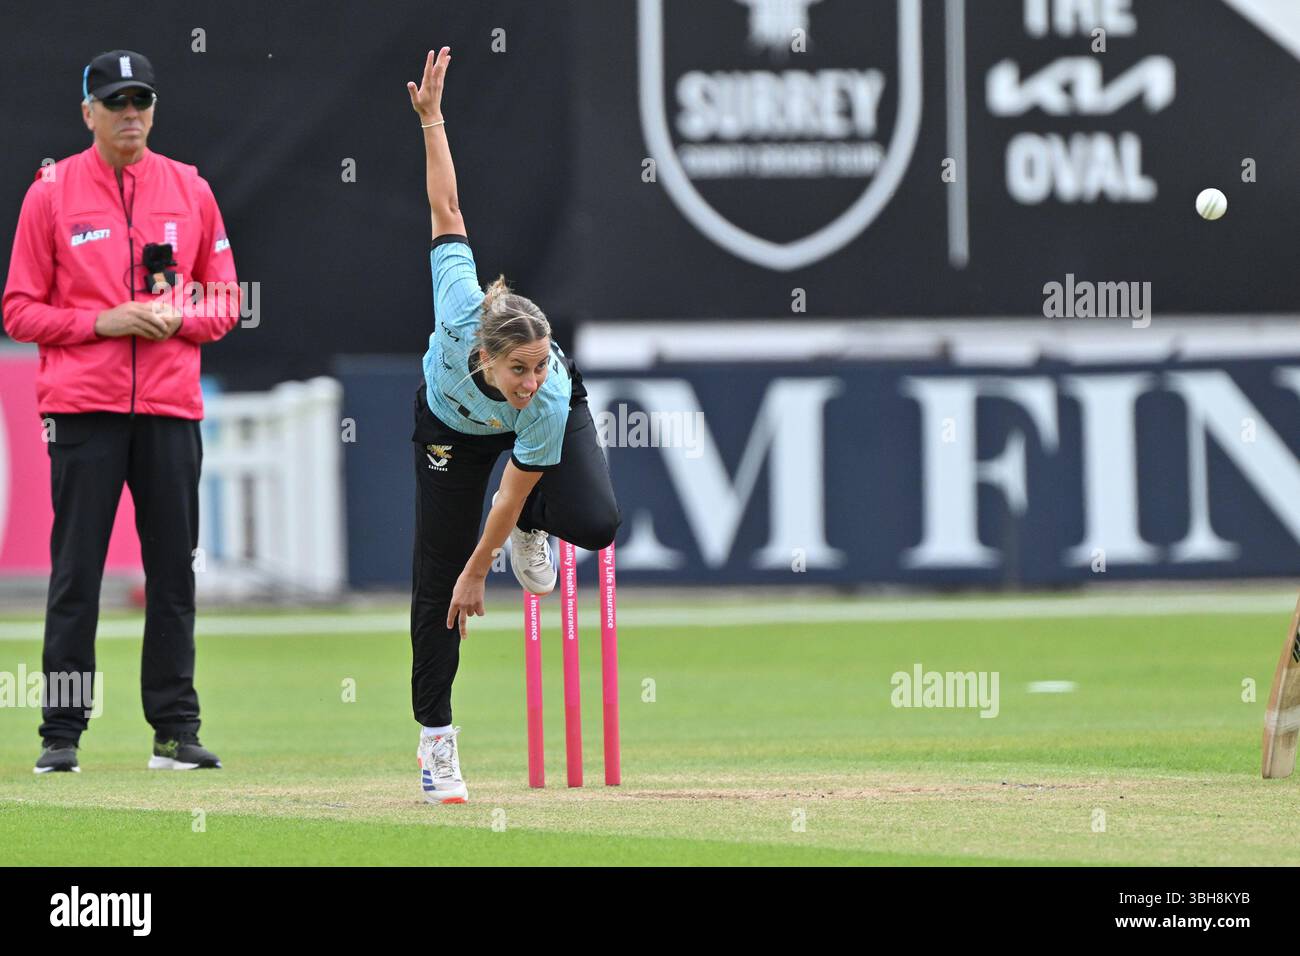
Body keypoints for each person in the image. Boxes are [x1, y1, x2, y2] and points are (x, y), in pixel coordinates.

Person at [2, 50, 240, 773]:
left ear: (154, 109)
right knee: (76, 576)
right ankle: (60, 736)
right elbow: (18, 310)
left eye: (141, 101)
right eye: (115, 102)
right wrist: (101, 323)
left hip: (170, 408)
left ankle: (174, 732)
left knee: (173, 574)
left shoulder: (191, 189)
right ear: (88, 113)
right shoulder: (50, 193)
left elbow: (227, 300)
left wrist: (178, 316)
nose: (130, 113)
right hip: (84, 410)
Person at [405, 47, 621, 804]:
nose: (531, 381)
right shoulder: (458, 310)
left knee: (595, 524)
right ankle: (436, 743)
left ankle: (538, 528)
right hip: (450, 429)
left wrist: (485, 563)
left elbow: (514, 485)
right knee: (438, 585)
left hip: (525, 456)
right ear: (487, 357)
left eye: (538, 366)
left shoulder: (549, 394)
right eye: (519, 369)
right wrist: (432, 119)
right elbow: (447, 209)